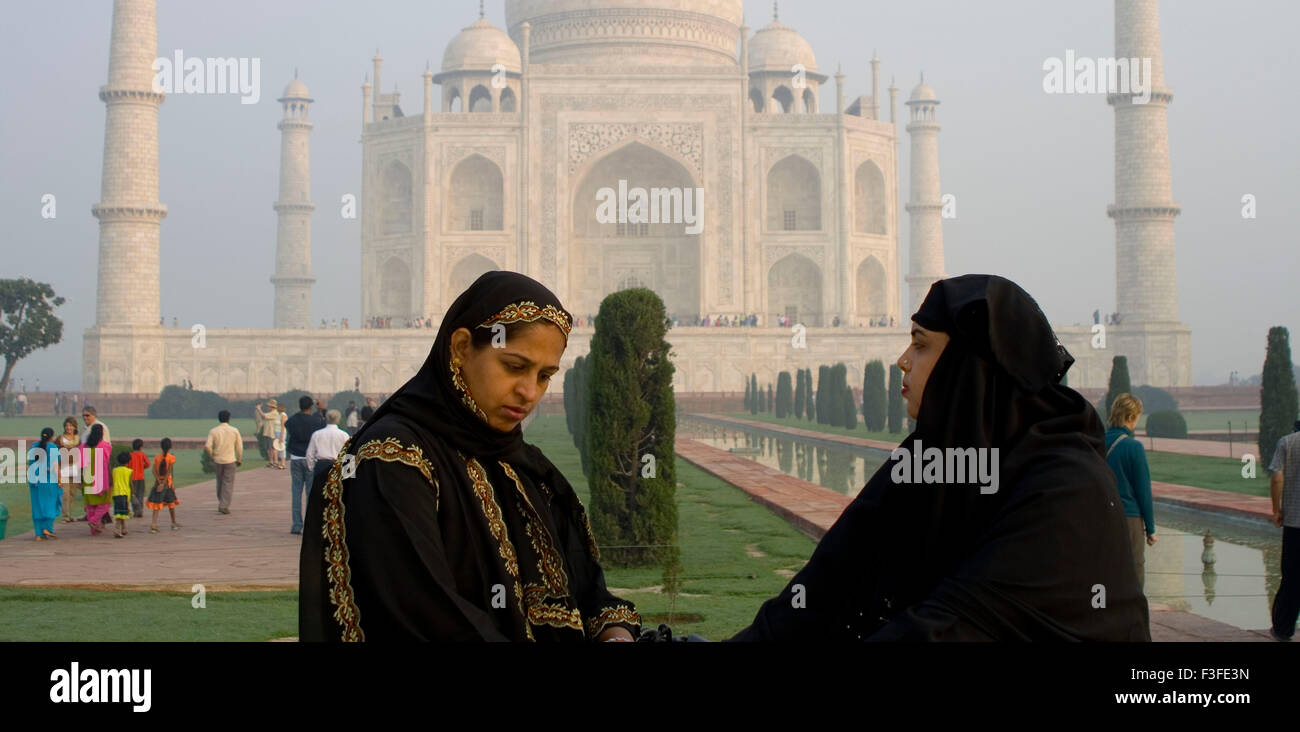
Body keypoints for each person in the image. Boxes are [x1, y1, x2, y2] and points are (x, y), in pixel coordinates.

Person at [731, 274, 1149, 641]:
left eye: (920, 345)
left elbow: (950, 628)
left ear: (970, 365)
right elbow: (830, 583)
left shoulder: (1066, 484)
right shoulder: (929, 461)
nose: (902, 361)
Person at [299, 270, 641, 641]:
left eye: (544, 376)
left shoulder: (524, 467)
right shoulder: (394, 458)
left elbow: (588, 592)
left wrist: (615, 633)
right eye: (514, 367)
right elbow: (426, 617)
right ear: (461, 348)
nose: (529, 391)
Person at [1104, 393, 1156, 588]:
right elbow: (1143, 491)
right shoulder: (1133, 447)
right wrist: (1151, 529)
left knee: (1107, 569)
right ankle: (1134, 616)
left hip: (1102, 516)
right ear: (1131, 417)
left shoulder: (1096, 443)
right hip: (1129, 518)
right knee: (1134, 570)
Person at [1268, 419, 1300, 641]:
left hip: (1295, 522)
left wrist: (1276, 509)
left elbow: (1277, 478)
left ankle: (1283, 627)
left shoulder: (1288, 442)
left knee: (1291, 576)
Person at [286, 396, 324, 534]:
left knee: (296, 492)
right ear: (311, 406)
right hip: (310, 459)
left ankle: (296, 525)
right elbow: (324, 425)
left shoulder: (292, 420)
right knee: (310, 493)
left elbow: (288, 426)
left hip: (296, 457)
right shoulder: (316, 421)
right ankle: (309, 524)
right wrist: (321, 410)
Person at [206, 409, 243, 514]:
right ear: (229, 419)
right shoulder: (234, 430)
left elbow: (208, 446)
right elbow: (239, 447)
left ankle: (222, 502)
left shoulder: (214, 431)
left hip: (218, 460)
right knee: (228, 483)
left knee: (220, 482)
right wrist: (239, 459)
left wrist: (212, 456)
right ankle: (223, 504)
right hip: (230, 460)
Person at [28, 427, 62, 540]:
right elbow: (55, 467)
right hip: (48, 480)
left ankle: (39, 534)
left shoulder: (33, 446)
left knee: (37, 506)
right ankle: (47, 528)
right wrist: (59, 480)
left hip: (34, 481)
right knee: (51, 504)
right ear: (52, 437)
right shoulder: (52, 447)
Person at [80, 423, 113, 535]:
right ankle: (93, 521)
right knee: (105, 504)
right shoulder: (105, 446)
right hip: (100, 479)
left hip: (87, 478)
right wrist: (110, 479)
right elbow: (107, 464)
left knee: (91, 505)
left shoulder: (83, 447)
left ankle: (94, 530)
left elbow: (80, 465)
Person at [306, 409, 350, 483]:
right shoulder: (344, 435)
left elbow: (310, 454)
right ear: (338, 420)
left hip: (321, 465)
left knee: (319, 491)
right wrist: (348, 473)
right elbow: (349, 454)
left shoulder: (317, 434)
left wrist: (312, 467)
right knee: (336, 492)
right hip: (337, 465)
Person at [146, 437, 181, 532]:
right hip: (168, 485)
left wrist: (159, 482)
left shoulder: (157, 457)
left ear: (161, 446)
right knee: (171, 503)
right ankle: (173, 523)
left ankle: (154, 524)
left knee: (156, 505)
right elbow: (168, 473)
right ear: (170, 447)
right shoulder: (171, 458)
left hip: (158, 483)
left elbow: (154, 470)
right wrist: (164, 483)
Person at [58, 417, 79, 523]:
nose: (68, 428)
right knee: (65, 493)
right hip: (64, 468)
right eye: (67, 425)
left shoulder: (78, 440)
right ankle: (65, 516)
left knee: (72, 493)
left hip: (75, 469)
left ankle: (69, 514)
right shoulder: (60, 439)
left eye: (70, 425)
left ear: (75, 427)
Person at [111, 452, 133, 538]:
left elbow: (113, 482)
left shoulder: (114, 470)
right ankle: (116, 529)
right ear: (128, 461)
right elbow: (130, 484)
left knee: (122, 511)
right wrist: (133, 493)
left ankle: (123, 528)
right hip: (124, 493)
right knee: (120, 513)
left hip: (116, 493)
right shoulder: (129, 471)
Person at [128, 439, 150, 517]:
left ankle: (136, 510)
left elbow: (128, 466)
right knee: (140, 494)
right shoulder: (142, 454)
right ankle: (140, 509)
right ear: (141, 447)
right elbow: (148, 464)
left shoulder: (130, 455)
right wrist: (141, 467)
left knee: (133, 495)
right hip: (141, 477)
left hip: (132, 478)